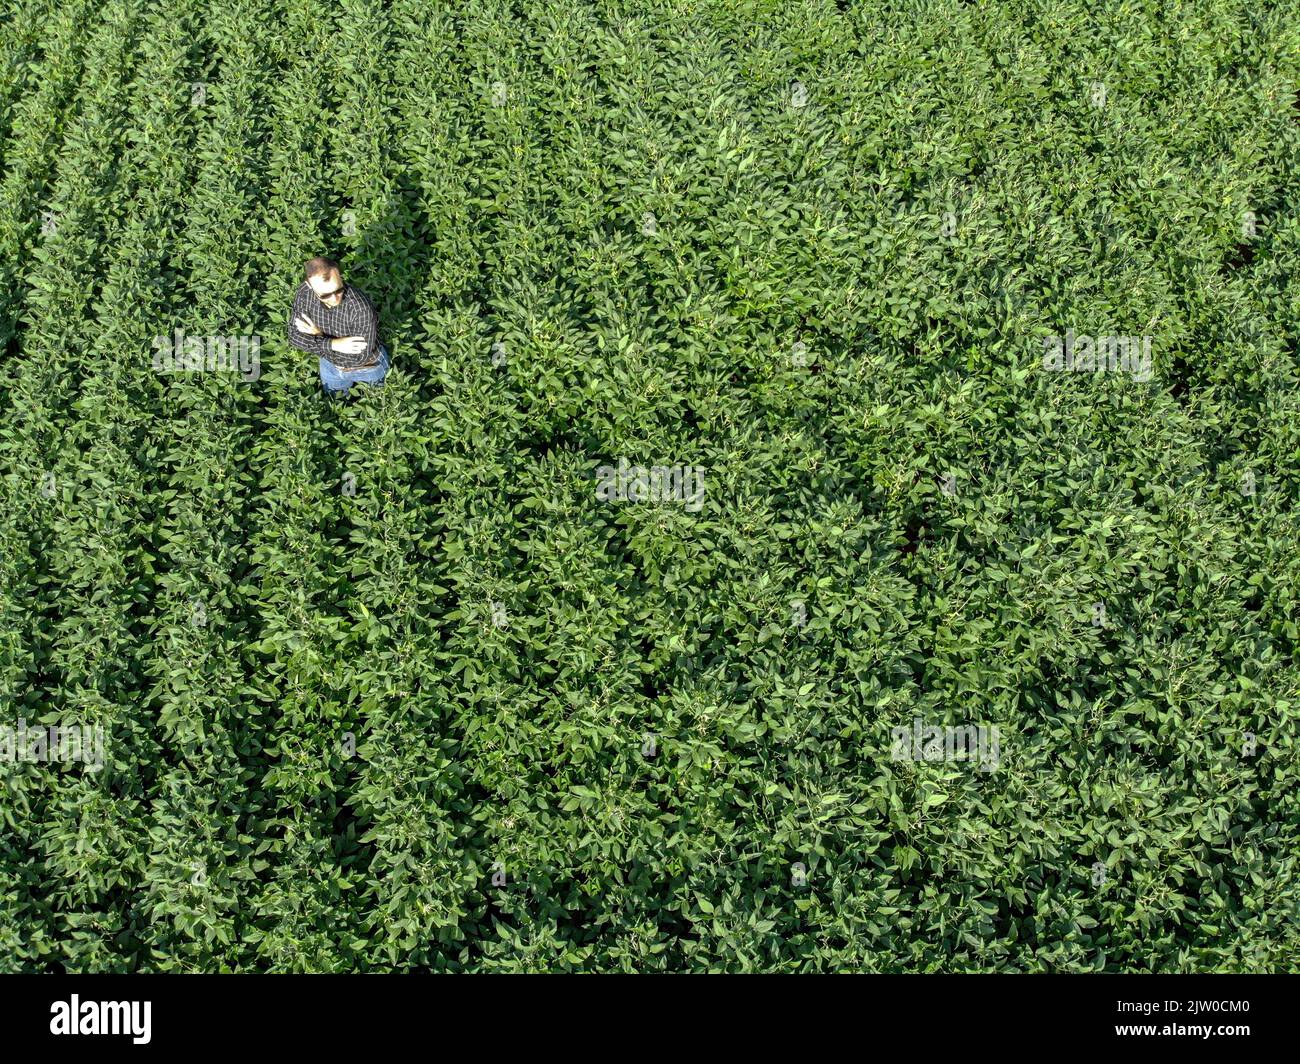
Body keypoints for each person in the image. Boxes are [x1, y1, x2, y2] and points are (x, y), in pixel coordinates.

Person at [287, 256, 389, 395]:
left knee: (377, 402)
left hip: (368, 368)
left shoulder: (360, 308)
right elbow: (294, 337)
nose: (335, 298)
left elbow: (358, 358)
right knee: (335, 402)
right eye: (325, 295)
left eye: (339, 290)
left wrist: (318, 336)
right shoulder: (305, 293)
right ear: (310, 286)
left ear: (340, 277)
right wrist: (333, 344)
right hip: (329, 366)